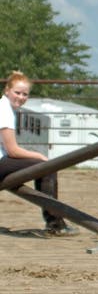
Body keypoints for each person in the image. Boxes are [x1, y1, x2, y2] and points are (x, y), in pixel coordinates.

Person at [0, 71, 77, 236]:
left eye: (25, 94)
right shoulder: (4, 111)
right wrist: (39, 157)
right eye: (17, 92)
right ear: (7, 90)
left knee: (41, 167)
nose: (21, 97)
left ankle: (55, 222)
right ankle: (55, 224)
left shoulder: (4, 107)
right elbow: (13, 151)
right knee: (46, 168)